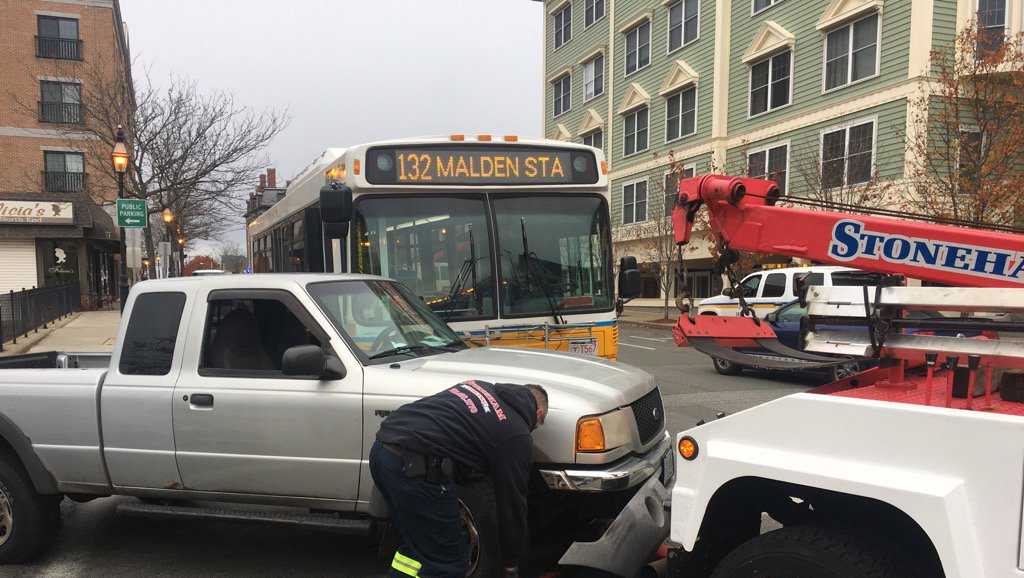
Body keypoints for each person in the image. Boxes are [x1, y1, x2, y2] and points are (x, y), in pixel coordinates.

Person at [369, 380, 549, 578]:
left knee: (416, 545)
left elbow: (457, 435)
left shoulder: (476, 386)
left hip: (383, 451)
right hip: (415, 470)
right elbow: (512, 504)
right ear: (539, 414)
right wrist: (511, 561)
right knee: (448, 560)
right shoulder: (516, 434)